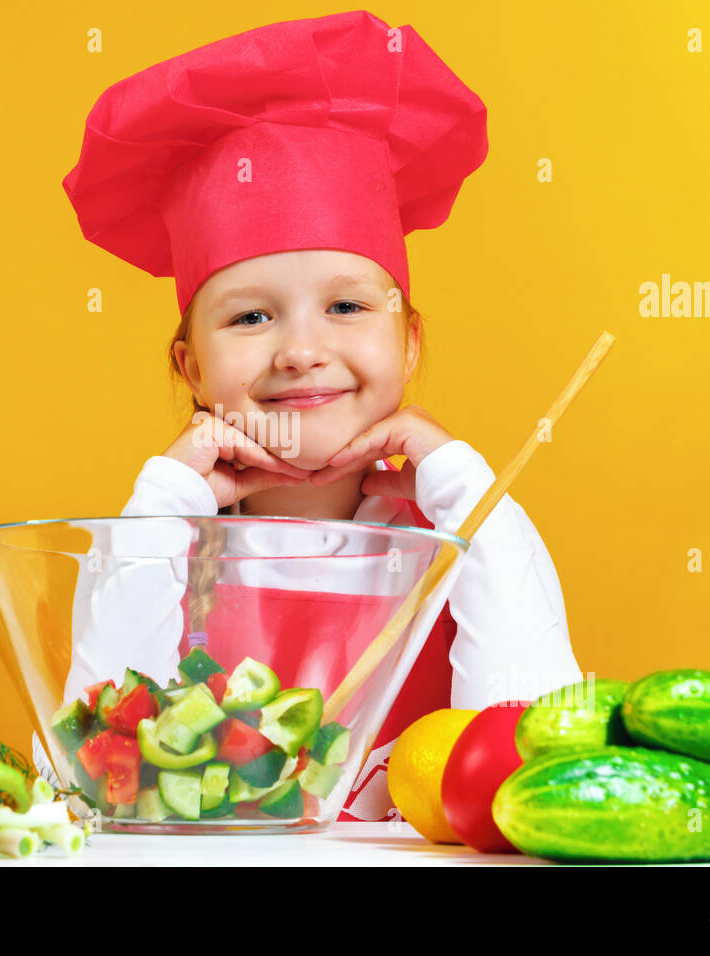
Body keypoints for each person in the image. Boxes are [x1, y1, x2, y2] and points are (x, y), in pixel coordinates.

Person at [57, 10, 582, 822]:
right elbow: (100, 773)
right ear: (191, 369)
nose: (301, 350)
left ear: (407, 344)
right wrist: (161, 503)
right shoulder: (168, 551)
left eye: (345, 305)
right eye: (250, 318)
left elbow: (535, 765)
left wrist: (464, 486)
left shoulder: (449, 538)